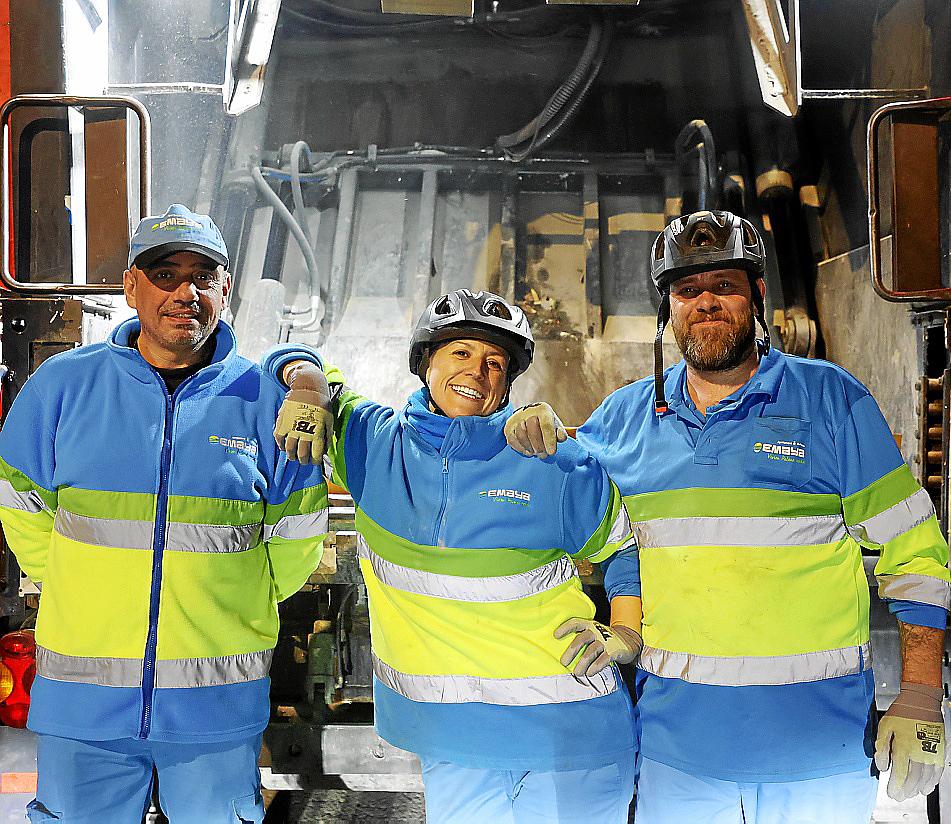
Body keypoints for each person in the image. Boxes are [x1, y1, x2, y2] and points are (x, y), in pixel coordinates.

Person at [504, 210, 950, 823]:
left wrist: (922, 693)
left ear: (758, 296)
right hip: (677, 764)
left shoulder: (831, 401)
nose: (706, 303)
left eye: (725, 286)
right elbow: (557, 510)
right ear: (666, 310)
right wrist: (534, 439)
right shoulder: (623, 420)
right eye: (687, 290)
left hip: (817, 757)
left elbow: (917, 553)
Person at [0, 205, 328, 824]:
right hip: (85, 704)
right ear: (131, 287)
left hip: (216, 707)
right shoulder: (62, 386)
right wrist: (75, 582)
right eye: (165, 274)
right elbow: (20, 505)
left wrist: (234, 598)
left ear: (225, 290)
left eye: (203, 276)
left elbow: (297, 534)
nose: (186, 292)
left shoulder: (263, 400)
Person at [265, 289, 641, 823]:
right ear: (426, 363)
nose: (478, 372)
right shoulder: (371, 445)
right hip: (454, 744)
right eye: (460, 353)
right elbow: (297, 362)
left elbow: (626, 548)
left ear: (509, 383)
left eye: (495, 363)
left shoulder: (552, 463)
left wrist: (623, 635)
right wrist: (305, 387)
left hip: (568, 739)